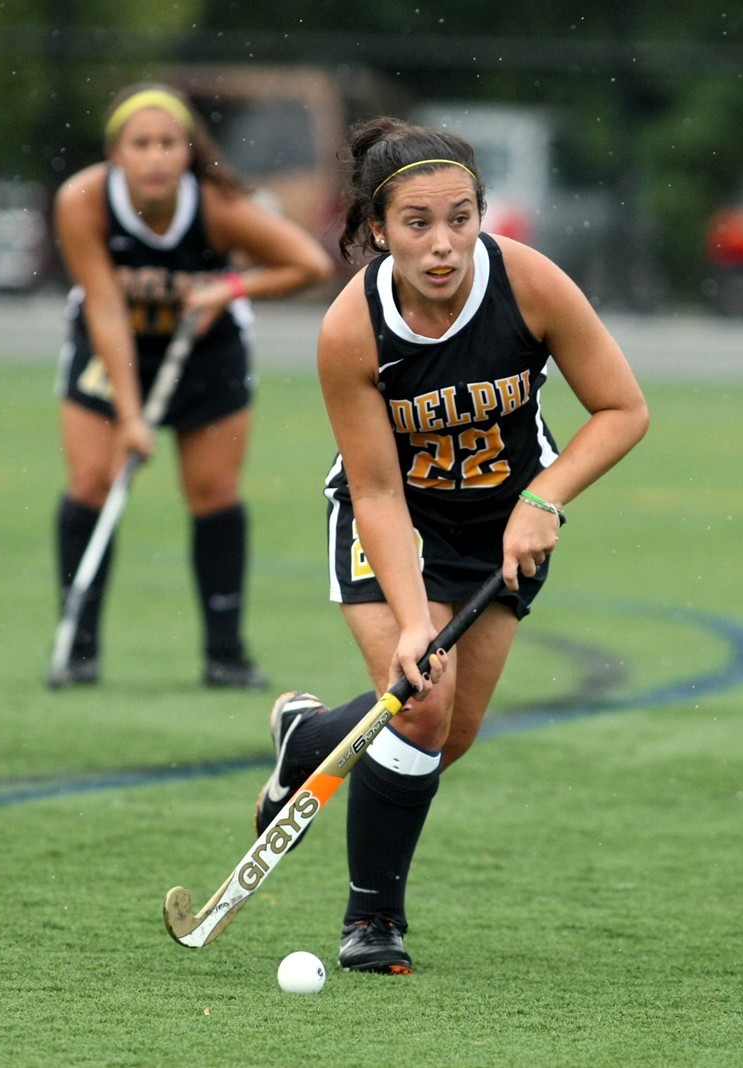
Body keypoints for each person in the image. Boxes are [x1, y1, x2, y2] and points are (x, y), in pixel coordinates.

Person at [254, 117, 650, 973]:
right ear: (376, 229)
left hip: (503, 526)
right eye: (417, 223)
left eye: (461, 219)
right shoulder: (352, 329)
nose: (443, 245)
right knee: (419, 708)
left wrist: (544, 498)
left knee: (446, 737)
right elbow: (376, 489)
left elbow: (623, 409)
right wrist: (410, 621)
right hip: (395, 519)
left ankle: (310, 739)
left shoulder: (530, 284)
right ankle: (373, 920)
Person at [49, 82, 333, 689]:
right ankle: (79, 648)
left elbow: (308, 264)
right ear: (115, 152)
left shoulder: (218, 208)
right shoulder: (82, 202)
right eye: (140, 144)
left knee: (213, 492)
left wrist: (228, 288)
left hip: (207, 355)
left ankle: (225, 655)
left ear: (189, 150)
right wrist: (130, 416)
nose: (155, 157)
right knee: (91, 482)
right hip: (111, 350)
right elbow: (104, 308)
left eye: (168, 143)